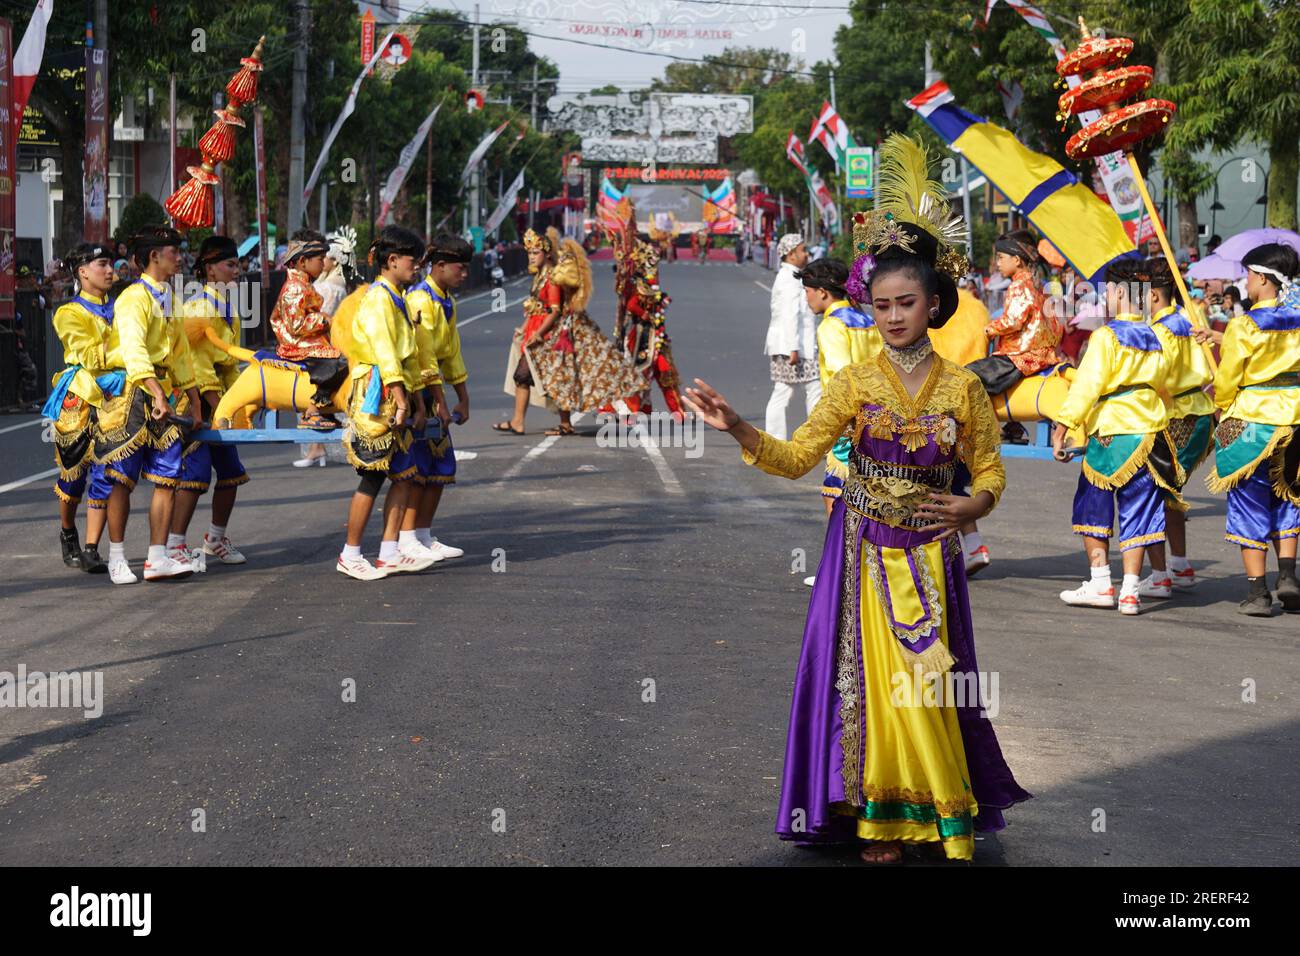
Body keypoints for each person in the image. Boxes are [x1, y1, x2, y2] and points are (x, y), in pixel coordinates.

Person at [683, 134, 1029, 862]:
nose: (894, 315)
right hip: (865, 552)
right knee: (871, 683)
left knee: (930, 682)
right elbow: (795, 458)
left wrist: (975, 507)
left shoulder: (965, 387)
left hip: (933, 557)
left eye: (907, 303)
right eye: (881, 305)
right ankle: (880, 818)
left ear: (933, 304)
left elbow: (991, 470)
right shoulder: (852, 384)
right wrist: (739, 424)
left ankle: (940, 807)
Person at [1052, 258, 1184, 616]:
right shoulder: (1159, 336)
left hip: (1113, 431)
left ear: (1119, 291)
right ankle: (1129, 592)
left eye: (1107, 289)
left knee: (1093, 503)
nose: (1104, 295)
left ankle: (1099, 582)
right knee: (1140, 509)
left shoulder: (1106, 336)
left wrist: (1063, 425)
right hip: (1151, 433)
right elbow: (1166, 384)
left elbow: (1087, 386)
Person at [92, 226, 203, 584]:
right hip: (132, 393)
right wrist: (155, 391)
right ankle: (118, 556)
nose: (180, 257)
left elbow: (182, 355)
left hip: (164, 393)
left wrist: (195, 402)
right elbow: (136, 351)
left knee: (167, 476)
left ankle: (157, 557)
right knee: (122, 479)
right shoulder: (133, 298)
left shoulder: (169, 297)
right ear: (154, 256)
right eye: (174, 251)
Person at [1204, 242, 1300, 615]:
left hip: (1254, 421)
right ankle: (1288, 574)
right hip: (1293, 418)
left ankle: (1257, 592)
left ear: (1261, 278)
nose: (1244, 282)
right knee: (1290, 495)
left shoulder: (1244, 324)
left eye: (1247, 275)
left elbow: (1228, 379)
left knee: (1249, 501)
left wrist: (1221, 406)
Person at [337, 226, 435, 581]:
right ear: (392, 261)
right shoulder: (379, 299)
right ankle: (350, 553)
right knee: (373, 476)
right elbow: (385, 353)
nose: (417, 268)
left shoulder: (397, 297)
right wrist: (400, 398)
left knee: (404, 475)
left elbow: (407, 359)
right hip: (376, 398)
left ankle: (390, 551)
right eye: (413, 261)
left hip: (397, 396)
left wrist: (416, 400)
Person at [494, 228, 642, 437]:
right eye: (530, 252)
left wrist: (538, 333)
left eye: (536, 252)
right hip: (537, 330)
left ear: (546, 253)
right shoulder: (541, 277)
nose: (532, 256)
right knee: (538, 377)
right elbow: (536, 306)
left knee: (549, 377)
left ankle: (549, 423)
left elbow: (554, 311)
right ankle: (524, 421)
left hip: (551, 335)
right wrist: (524, 327)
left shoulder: (554, 278)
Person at [169, 236, 250, 570]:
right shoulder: (200, 307)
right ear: (209, 270)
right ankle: (174, 545)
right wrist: (217, 405)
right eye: (230, 265)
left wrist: (243, 403)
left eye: (237, 264)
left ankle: (215, 539)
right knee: (195, 476)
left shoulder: (229, 307)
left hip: (221, 400)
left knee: (231, 473)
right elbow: (199, 365)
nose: (238, 270)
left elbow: (230, 364)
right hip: (196, 400)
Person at [1137, 257, 1215, 596]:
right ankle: (1179, 565)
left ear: (1153, 295)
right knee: (1170, 494)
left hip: (1176, 414)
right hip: (1197, 412)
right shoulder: (1189, 319)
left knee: (1152, 491)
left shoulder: (1160, 330)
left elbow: (1156, 377)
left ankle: (1160, 575)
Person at [43, 243, 116, 574]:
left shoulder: (120, 307)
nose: (110, 271)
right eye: (102, 264)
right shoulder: (68, 312)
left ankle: (92, 547)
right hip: (81, 395)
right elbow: (87, 352)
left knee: (107, 471)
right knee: (73, 475)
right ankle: (68, 532)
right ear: (83, 271)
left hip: (116, 396)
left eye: (111, 264)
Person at [400, 232, 472, 563]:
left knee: (441, 466)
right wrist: (439, 401)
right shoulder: (419, 300)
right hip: (417, 393)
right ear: (440, 266)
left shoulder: (447, 301)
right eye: (460, 268)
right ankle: (406, 538)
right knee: (416, 467)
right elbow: (424, 359)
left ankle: (424, 536)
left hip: (435, 394)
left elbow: (451, 354)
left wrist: (463, 397)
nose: (464, 274)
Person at [968, 230, 1064, 444]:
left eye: (1001, 258)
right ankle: (1013, 427)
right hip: (1044, 355)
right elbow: (1056, 326)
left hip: (1020, 356)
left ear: (1017, 260)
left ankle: (987, 429)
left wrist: (989, 329)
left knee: (969, 376)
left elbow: (1013, 320)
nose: (997, 263)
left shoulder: (1019, 285)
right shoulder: (1041, 286)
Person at [803, 256, 882, 512]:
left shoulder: (831, 325)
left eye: (808, 291)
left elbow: (842, 377)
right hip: (878, 414)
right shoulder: (869, 321)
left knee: (836, 492)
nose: (807, 298)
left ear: (823, 292)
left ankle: (841, 551)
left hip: (849, 419)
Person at [269, 230, 347, 431]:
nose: (323, 263)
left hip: (308, 339)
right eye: (320, 259)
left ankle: (325, 408)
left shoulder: (303, 283)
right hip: (295, 343)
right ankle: (313, 410)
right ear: (303, 261)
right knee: (339, 360)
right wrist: (325, 320)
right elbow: (296, 326)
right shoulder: (295, 286)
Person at [613, 239, 683, 419]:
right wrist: (644, 313)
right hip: (641, 336)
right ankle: (631, 410)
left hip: (657, 334)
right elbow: (631, 304)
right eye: (651, 258)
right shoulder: (637, 283)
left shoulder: (650, 285)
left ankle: (678, 411)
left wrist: (661, 301)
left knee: (665, 370)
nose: (654, 263)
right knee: (639, 371)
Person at [763, 233, 820, 441]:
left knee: (801, 390)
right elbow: (789, 316)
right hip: (794, 348)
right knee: (792, 392)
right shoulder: (788, 279)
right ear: (791, 254)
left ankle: (778, 439)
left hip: (797, 346)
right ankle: (776, 439)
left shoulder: (793, 275)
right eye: (803, 250)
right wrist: (793, 349)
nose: (806, 254)